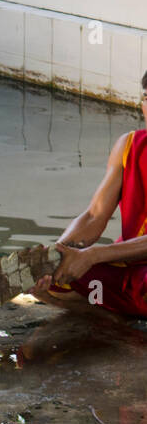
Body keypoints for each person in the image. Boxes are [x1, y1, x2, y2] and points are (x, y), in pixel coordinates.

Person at [30, 71, 147, 316]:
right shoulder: (129, 146)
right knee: (53, 280)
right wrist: (59, 254)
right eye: (146, 98)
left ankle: (113, 312)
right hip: (127, 262)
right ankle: (115, 312)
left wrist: (93, 255)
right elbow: (95, 215)